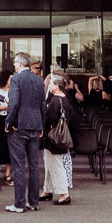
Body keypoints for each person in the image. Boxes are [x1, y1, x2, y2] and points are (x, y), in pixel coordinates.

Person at [5, 50, 46, 214]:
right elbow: (43, 104)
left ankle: (19, 204)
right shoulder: (38, 80)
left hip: (19, 125)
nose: (14, 65)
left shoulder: (16, 79)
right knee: (34, 165)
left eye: (15, 62)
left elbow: (13, 103)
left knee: (19, 165)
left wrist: (9, 121)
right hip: (35, 124)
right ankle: (34, 202)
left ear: (20, 63)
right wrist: (42, 125)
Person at [41, 73, 73, 205]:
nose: (49, 86)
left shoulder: (54, 100)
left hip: (52, 136)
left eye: (51, 84)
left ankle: (64, 194)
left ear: (57, 86)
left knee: (55, 165)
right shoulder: (65, 98)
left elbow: (48, 118)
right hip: (60, 134)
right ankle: (47, 191)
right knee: (50, 163)